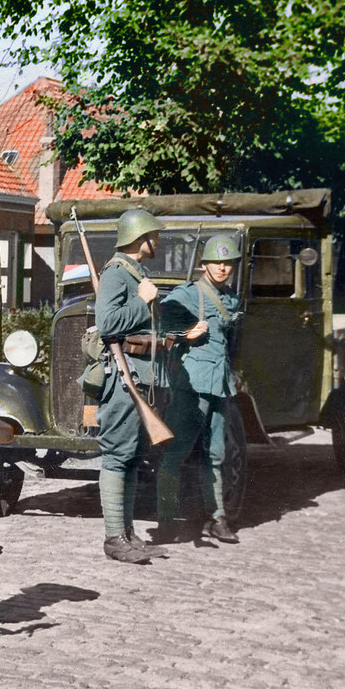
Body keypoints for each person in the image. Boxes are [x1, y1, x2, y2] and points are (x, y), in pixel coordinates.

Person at [152, 234, 243, 545]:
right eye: (216, 261)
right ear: (204, 264)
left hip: (219, 384)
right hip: (192, 385)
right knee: (177, 452)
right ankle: (165, 521)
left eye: (228, 262)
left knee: (216, 454)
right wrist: (185, 332)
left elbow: (230, 340)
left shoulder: (231, 299)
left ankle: (217, 519)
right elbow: (160, 316)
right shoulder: (190, 294)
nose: (222, 267)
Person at [94, 207, 166, 564]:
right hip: (124, 377)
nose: (158, 240)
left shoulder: (136, 271)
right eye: (155, 234)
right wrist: (144, 301)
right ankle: (112, 538)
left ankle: (128, 533)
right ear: (141, 237)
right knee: (117, 455)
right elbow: (106, 323)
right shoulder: (116, 273)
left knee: (133, 458)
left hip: (142, 376)